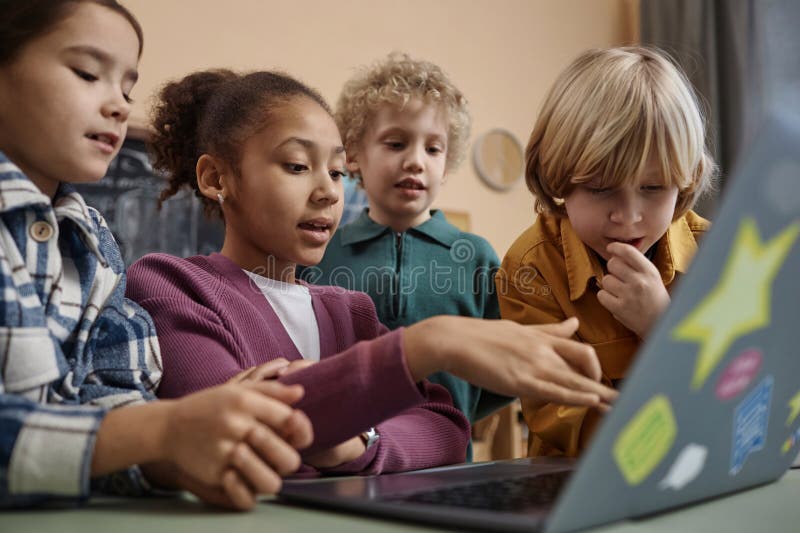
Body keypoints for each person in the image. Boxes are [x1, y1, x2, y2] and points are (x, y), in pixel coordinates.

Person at [125, 68, 617, 478]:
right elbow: (239, 431)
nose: (328, 192)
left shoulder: (348, 310)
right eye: (297, 166)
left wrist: (359, 441)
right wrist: (426, 346)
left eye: (336, 172)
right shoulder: (171, 285)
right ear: (216, 179)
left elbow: (447, 427)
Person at [0, 0, 314, 511]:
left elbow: (115, 399)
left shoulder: (94, 242)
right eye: (87, 73)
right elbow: (132, 427)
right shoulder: (171, 281)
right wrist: (159, 432)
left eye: (128, 88)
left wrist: (171, 455)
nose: (122, 106)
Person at [497, 46, 715, 458]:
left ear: (686, 182)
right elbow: (563, 419)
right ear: (556, 179)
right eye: (600, 189)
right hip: (573, 492)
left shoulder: (715, 256)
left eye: (653, 188)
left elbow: (740, 399)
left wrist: (661, 328)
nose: (629, 217)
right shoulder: (530, 268)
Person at [300, 54, 509, 457]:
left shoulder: (477, 258)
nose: (415, 160)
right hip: (343, 466)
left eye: (433, 148)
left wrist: (459, 411)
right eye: (396, 143)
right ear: (354, 156)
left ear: (447, 164)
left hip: (446, 467)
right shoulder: (321, 255)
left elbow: (505, 369)